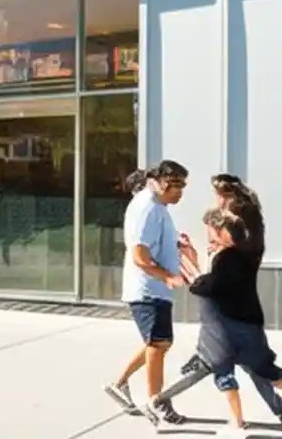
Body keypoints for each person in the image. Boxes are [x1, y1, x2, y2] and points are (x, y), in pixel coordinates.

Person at [144, 174, 282, 430]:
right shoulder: (240, 233)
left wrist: (193, 265)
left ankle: (278, 411)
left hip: (228, 310)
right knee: (238, 364)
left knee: (231, 364)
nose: (219, 202)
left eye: (222, 196)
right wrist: (193, 258)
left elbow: (211, 280)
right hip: (227, 310)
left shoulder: (238, 235)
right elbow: (210, 278)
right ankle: (278, 411)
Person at [187, 201, 282, 436]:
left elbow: (212, 287)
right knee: (261, 371)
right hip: (243, 324)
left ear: (224, 232)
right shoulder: (238, 254)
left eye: (211, 232)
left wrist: (193, 272)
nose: (209, 238)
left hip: (239, 326)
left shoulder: (229, 258)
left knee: (258, 370)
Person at [103, 160, 190, 425]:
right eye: (178, 185)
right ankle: (156, 401)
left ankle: (120, 384)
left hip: (155, 289)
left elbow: (153, 242)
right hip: (147, 290)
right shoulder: (146, 207)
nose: (181, 192)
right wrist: (168, 276)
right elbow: (140, 254)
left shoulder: (158, 206)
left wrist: (176, 244)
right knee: (158, 344)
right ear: (162, 182)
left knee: (158, 343)